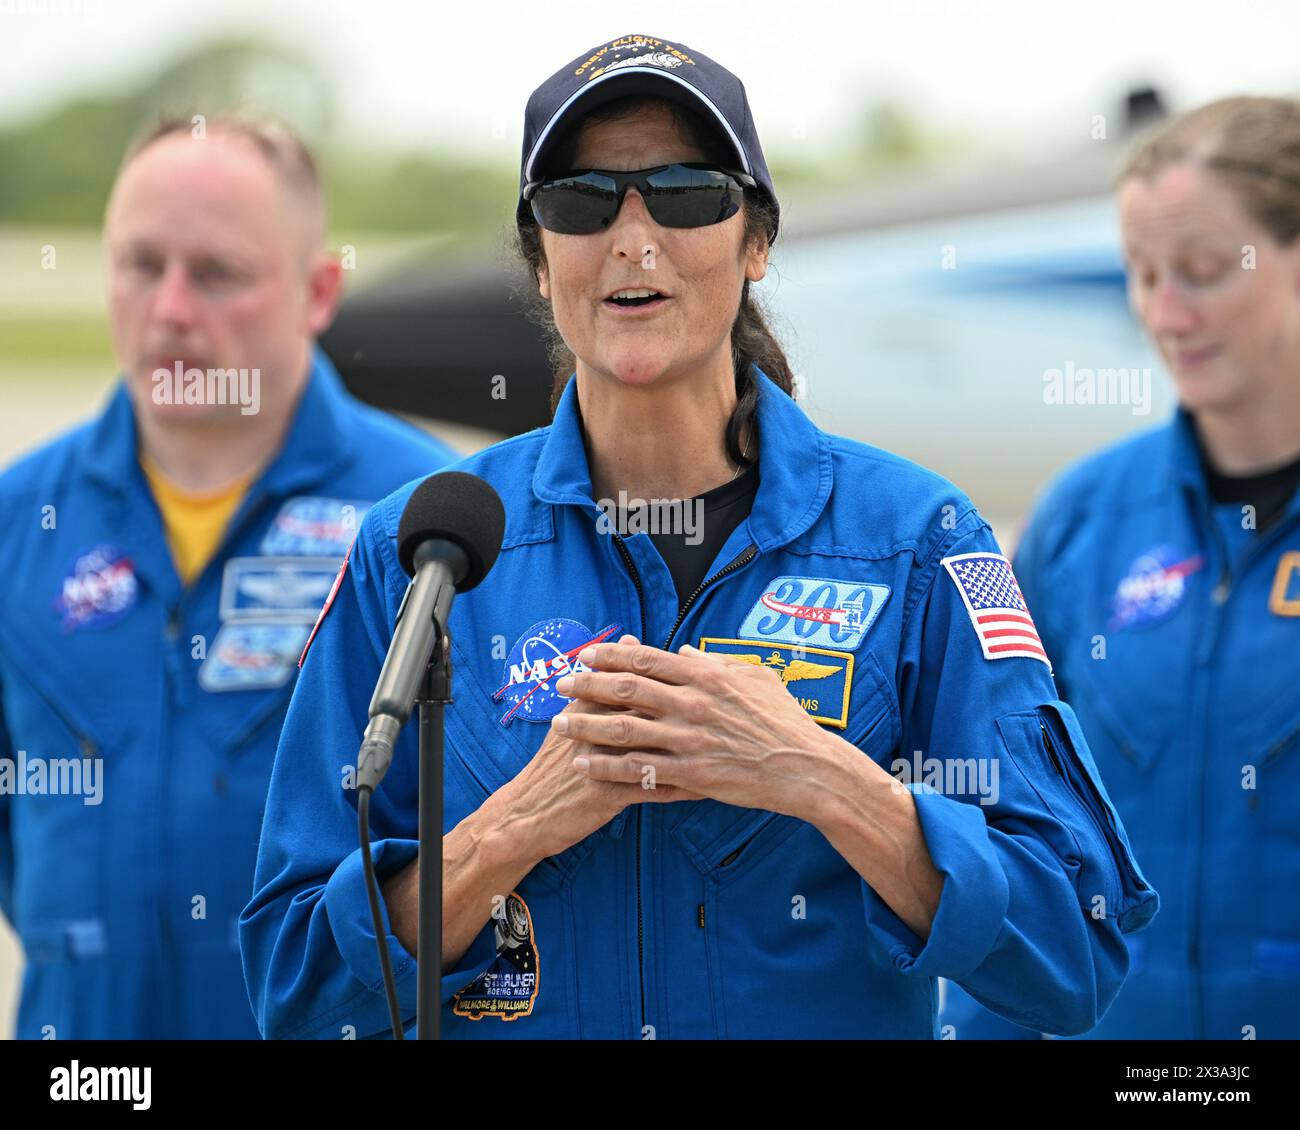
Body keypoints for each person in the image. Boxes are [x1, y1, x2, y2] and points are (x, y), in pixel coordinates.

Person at [241, 33, 1156, 1040]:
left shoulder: (915, 541)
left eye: (682, 193)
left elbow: (1076, 944)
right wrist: (517, 823)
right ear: (541, 262)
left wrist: (817, 775)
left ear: (755, 242)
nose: (633, 238)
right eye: (583, 201)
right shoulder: (420, 553)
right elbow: (295, 984)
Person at [0, 115, 458, 1038]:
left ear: (317, 290)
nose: (171, 309)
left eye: (216, 274)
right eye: (140, 264)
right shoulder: (19, 518)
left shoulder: (426, 522)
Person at [942, 95, 1300, 1040]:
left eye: (1205, 270)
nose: (1166, 313)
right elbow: (1016, 831)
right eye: (1141, 275)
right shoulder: (1081, 523)